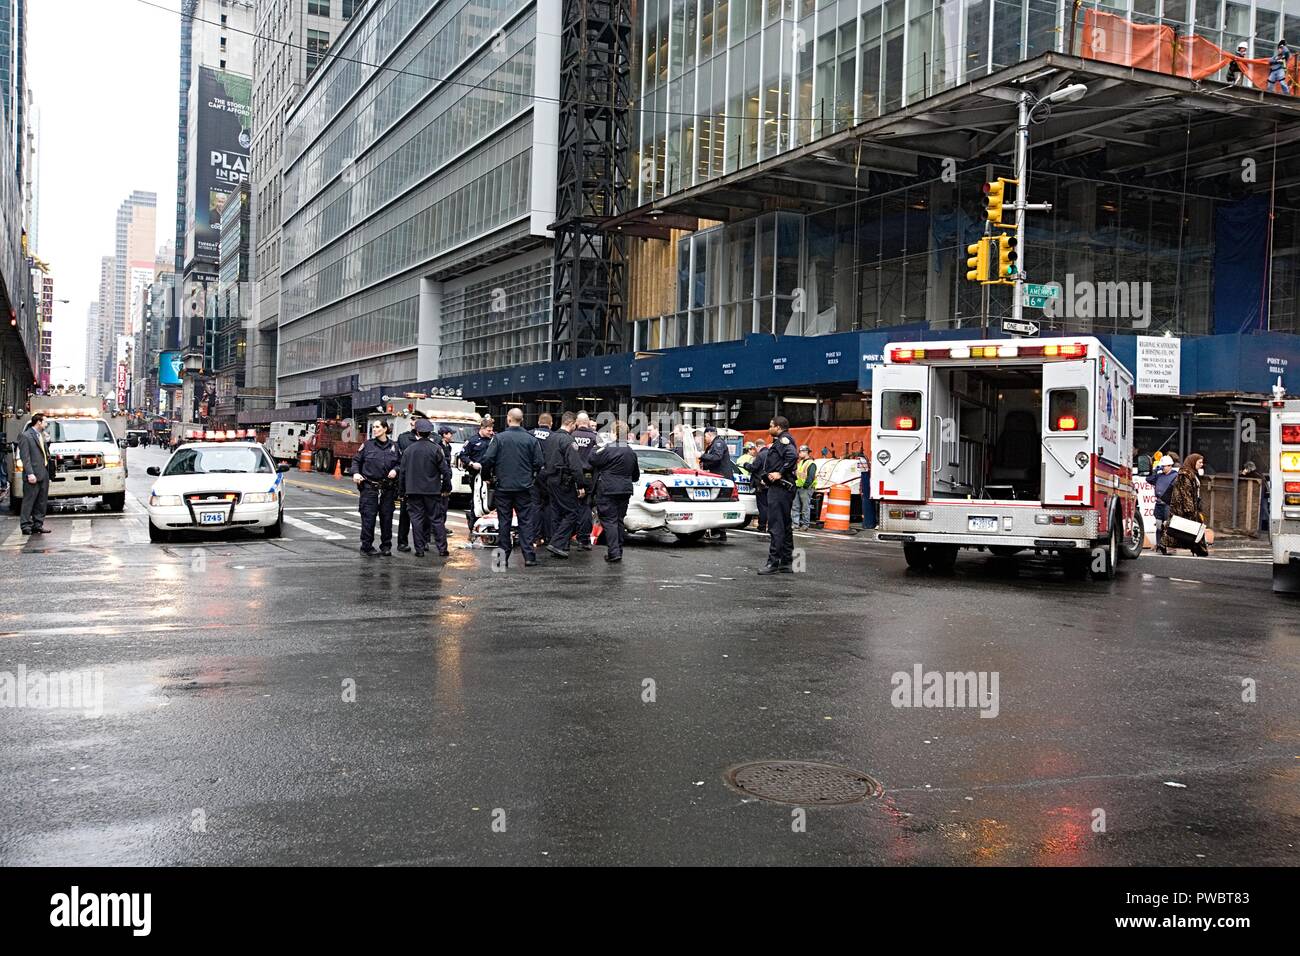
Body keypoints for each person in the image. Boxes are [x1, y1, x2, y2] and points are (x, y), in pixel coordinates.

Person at [479, 407, 544, 567]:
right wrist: (531, 476)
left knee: (504, 522)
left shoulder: (499, 438)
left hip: (503, 487)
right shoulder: (531, 439)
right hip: (524, 487)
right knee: (525, 522)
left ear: (508, 419)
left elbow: (487, 459)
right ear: (521, 420)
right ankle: (529, 556)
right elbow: (539, 462)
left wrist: (488, 478)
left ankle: (502, 558)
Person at [590, 420, 640, 563]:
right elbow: (635, 475)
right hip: (625, 490)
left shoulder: (608, 448)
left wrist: (596, 447)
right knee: (618, 520)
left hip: (608, 489)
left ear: (614, 433)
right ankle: (618, 549)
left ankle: (614, 552)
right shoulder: (631, 451)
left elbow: (592, 459)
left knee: (609, 520)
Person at [401, 418, 452, 557]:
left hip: (413, 491)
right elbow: (445, 471)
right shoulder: (436, 449)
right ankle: (442, 549)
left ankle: (419, 549)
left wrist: (401, 491)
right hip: (432, 490)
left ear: (417, 431)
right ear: (430, 433)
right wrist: (446, 487)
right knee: (436, 519)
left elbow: (403, 473)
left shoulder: (409, 450)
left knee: (416, 520)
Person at [351, 418, 401, 556]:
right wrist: (355, 473)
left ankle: (386, 546)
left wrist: (395, 470)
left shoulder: (394, 446)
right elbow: (356, 461)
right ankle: (366, 547)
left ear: (385, 429)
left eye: (378, 427)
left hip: (387, 488)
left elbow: (400, 463)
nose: (374, 429)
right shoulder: (367, 445)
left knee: (387, 518)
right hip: (369, 487)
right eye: (373, 427)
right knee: (368, 518)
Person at [541, 411, 586, 558]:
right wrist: (580, 484)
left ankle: (559, 545)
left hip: (549, 480)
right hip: (563, 481)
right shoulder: (568, 441)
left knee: (556, 513)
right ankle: (557, 543)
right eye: (575, 425)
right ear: (571, 423)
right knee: (572, 513)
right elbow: (575, 466)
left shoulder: (550, 438)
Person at [759, 416, 799, 574]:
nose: (769, 428)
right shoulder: (782, 440)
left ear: (778, 427)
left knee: (776, 526)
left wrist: (780, 473)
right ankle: (786, 562)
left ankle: (773, 562)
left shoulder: (784, 441)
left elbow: (792, 456)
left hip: (780, 489)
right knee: (785, 525)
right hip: (781, 488)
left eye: (771, 426)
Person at [1160, 453, 1209, 557]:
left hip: (1189, 507)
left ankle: (1164, 544)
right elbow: (1185, 492)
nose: (1202, 464)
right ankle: (1200, 549)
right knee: (1182, 528)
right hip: (1183, 508)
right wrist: (1189, 509)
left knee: (1179, 528)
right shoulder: (1185, 474)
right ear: (1193, 462)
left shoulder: (1192, 473)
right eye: (1199, 462)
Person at [395, 412, 426, 553]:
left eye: (417, 419)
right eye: (412, 419)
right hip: (409, 482)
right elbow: (399, 460)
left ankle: (423, 542)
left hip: (426, 483)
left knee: (425, 515)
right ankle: (402, 542)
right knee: (405, 514)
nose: (413, 421)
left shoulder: (433, 438)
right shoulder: (403, 438)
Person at [17, 413, 51, 536]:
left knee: (41, 501)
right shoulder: (25, 436)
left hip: (43, 472)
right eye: (45, 422)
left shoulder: (41, 435)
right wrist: (30, 473)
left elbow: (43, 453)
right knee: (29, 500)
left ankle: (38, 524)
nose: (47, 424)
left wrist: (48, 441)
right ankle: (26, 525)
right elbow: (25, 458)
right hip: (33, 475)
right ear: (39, 422)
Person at [699, 426, 735, 542]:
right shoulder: (714, 444)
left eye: (705, 436)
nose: (705, 439)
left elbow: (716, 458)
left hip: (722, 479)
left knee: (720, 504)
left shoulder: (718, 443)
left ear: (709, 434)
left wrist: (701, 455)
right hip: (718, 478)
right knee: (716, 504)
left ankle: (720, 532)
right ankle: (717, 531)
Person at [571, 412, 600, 550]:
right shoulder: (595, 437)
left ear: (577, 422)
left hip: (572, 475)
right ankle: (584, 539)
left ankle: (569, 536)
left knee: (571, 506)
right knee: (586, 507)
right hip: (589, 476)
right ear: (588, 423)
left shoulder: (571, 436)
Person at [529, 413, 554, 546]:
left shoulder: (529, 434)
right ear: (551, 424)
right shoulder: (554, 436)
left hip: (533, 474)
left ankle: (536, 537)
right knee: (549, 505)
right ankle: (549, 536)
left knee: (535, 505)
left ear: (539, 422)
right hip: (549, 475)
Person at [792, 445, 818, 529]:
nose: (799, 454)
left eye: (800, 452)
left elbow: (810, 477)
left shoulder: (811, 463)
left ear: (806, 452)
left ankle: (805, 524)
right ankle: (795, 524)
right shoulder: (800, 462)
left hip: (806, 488)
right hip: (798, 487)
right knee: (795, 506)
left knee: (805, 507)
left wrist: (806, 485)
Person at [746, 439, 770, 532]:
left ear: (758, 446)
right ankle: (770, 526)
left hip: (760, 484)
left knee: (762, 506)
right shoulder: (771, 454)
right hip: (769, 483)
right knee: (769, 505)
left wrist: (746, 465)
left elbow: (754, 468)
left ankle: (762, 526)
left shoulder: (760, 455)